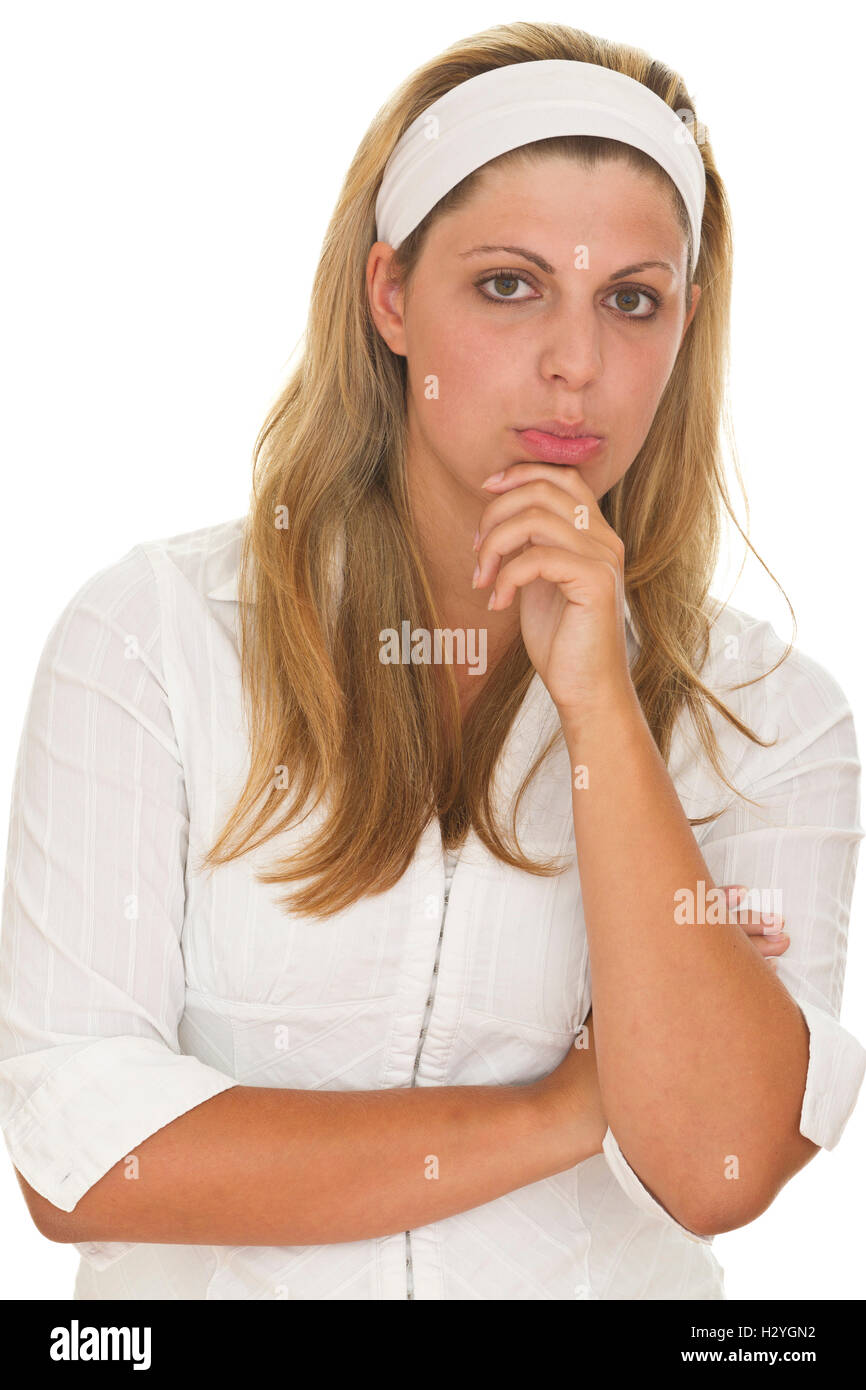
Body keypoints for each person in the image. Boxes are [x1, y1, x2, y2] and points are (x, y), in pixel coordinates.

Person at [1, 20, 863, 1302]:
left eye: (632, 300)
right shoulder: (154, 640)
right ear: (390, 296)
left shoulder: (767, 720)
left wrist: (600, 708)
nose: (576, 363)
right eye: (509, 286)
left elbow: (718, 1160)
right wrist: (566, 1108)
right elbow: (83, 1158)